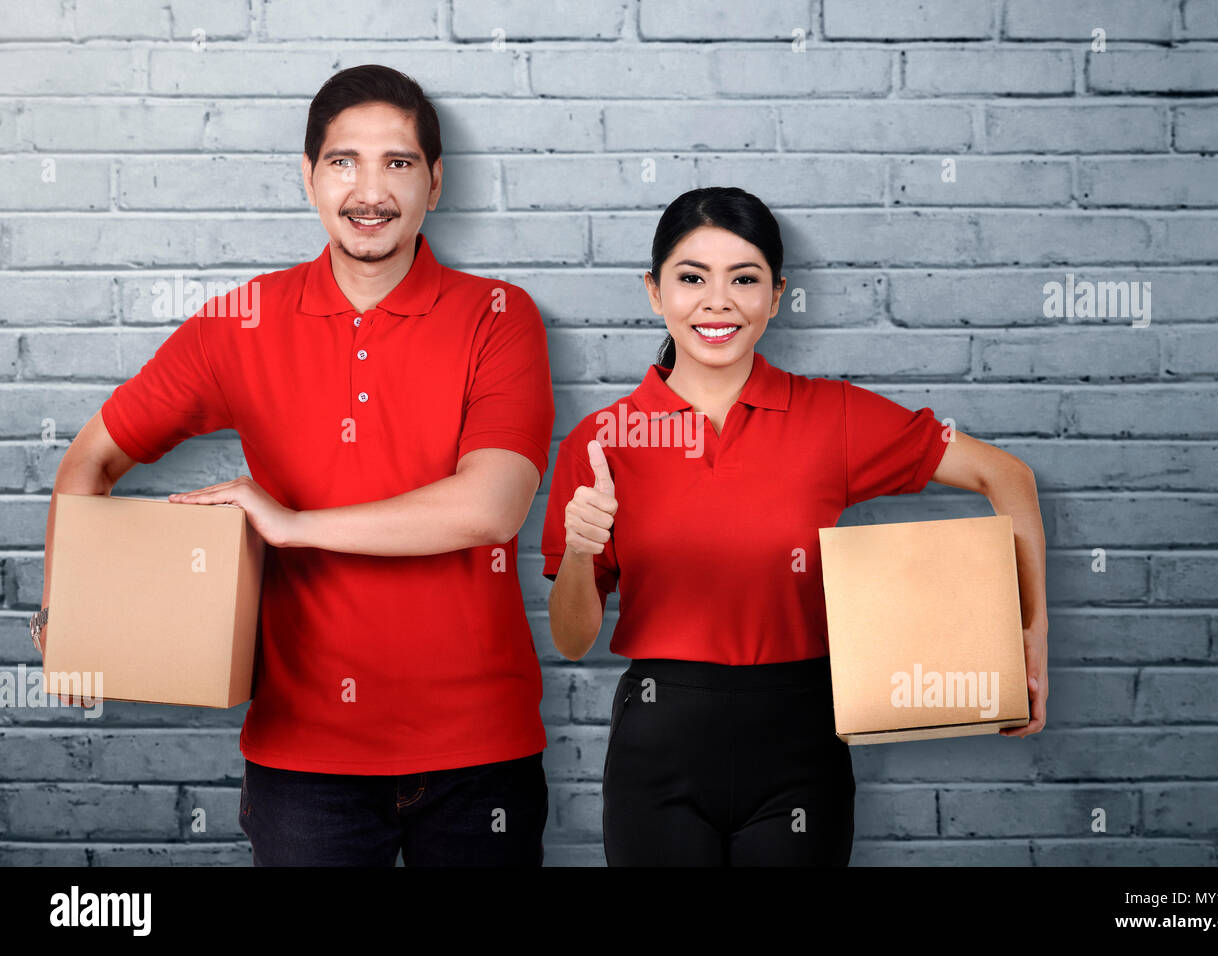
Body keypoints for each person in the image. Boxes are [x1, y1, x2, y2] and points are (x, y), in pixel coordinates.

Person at [32, 65, 553, 866]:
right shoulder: (239, 325)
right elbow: (92, 459)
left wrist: (293, 524)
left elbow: (491, 506)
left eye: (399, 163)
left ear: (436, 183)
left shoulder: (499, 317)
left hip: (478, 755)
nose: (370, 190)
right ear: (309, 179)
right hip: (303, 762)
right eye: (344, 162)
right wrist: (71, 619)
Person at [541, 187, 1048, 866]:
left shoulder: (831, 418)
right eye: (691, 278)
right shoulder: (600, 441)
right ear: (655, 293)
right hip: (657, 749)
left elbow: (1006, 476)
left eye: (743, 279)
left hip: (801, 741)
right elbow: (573, 641)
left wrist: (1025, 648)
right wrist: (580, 551)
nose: (717, 301)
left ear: (776, 296)